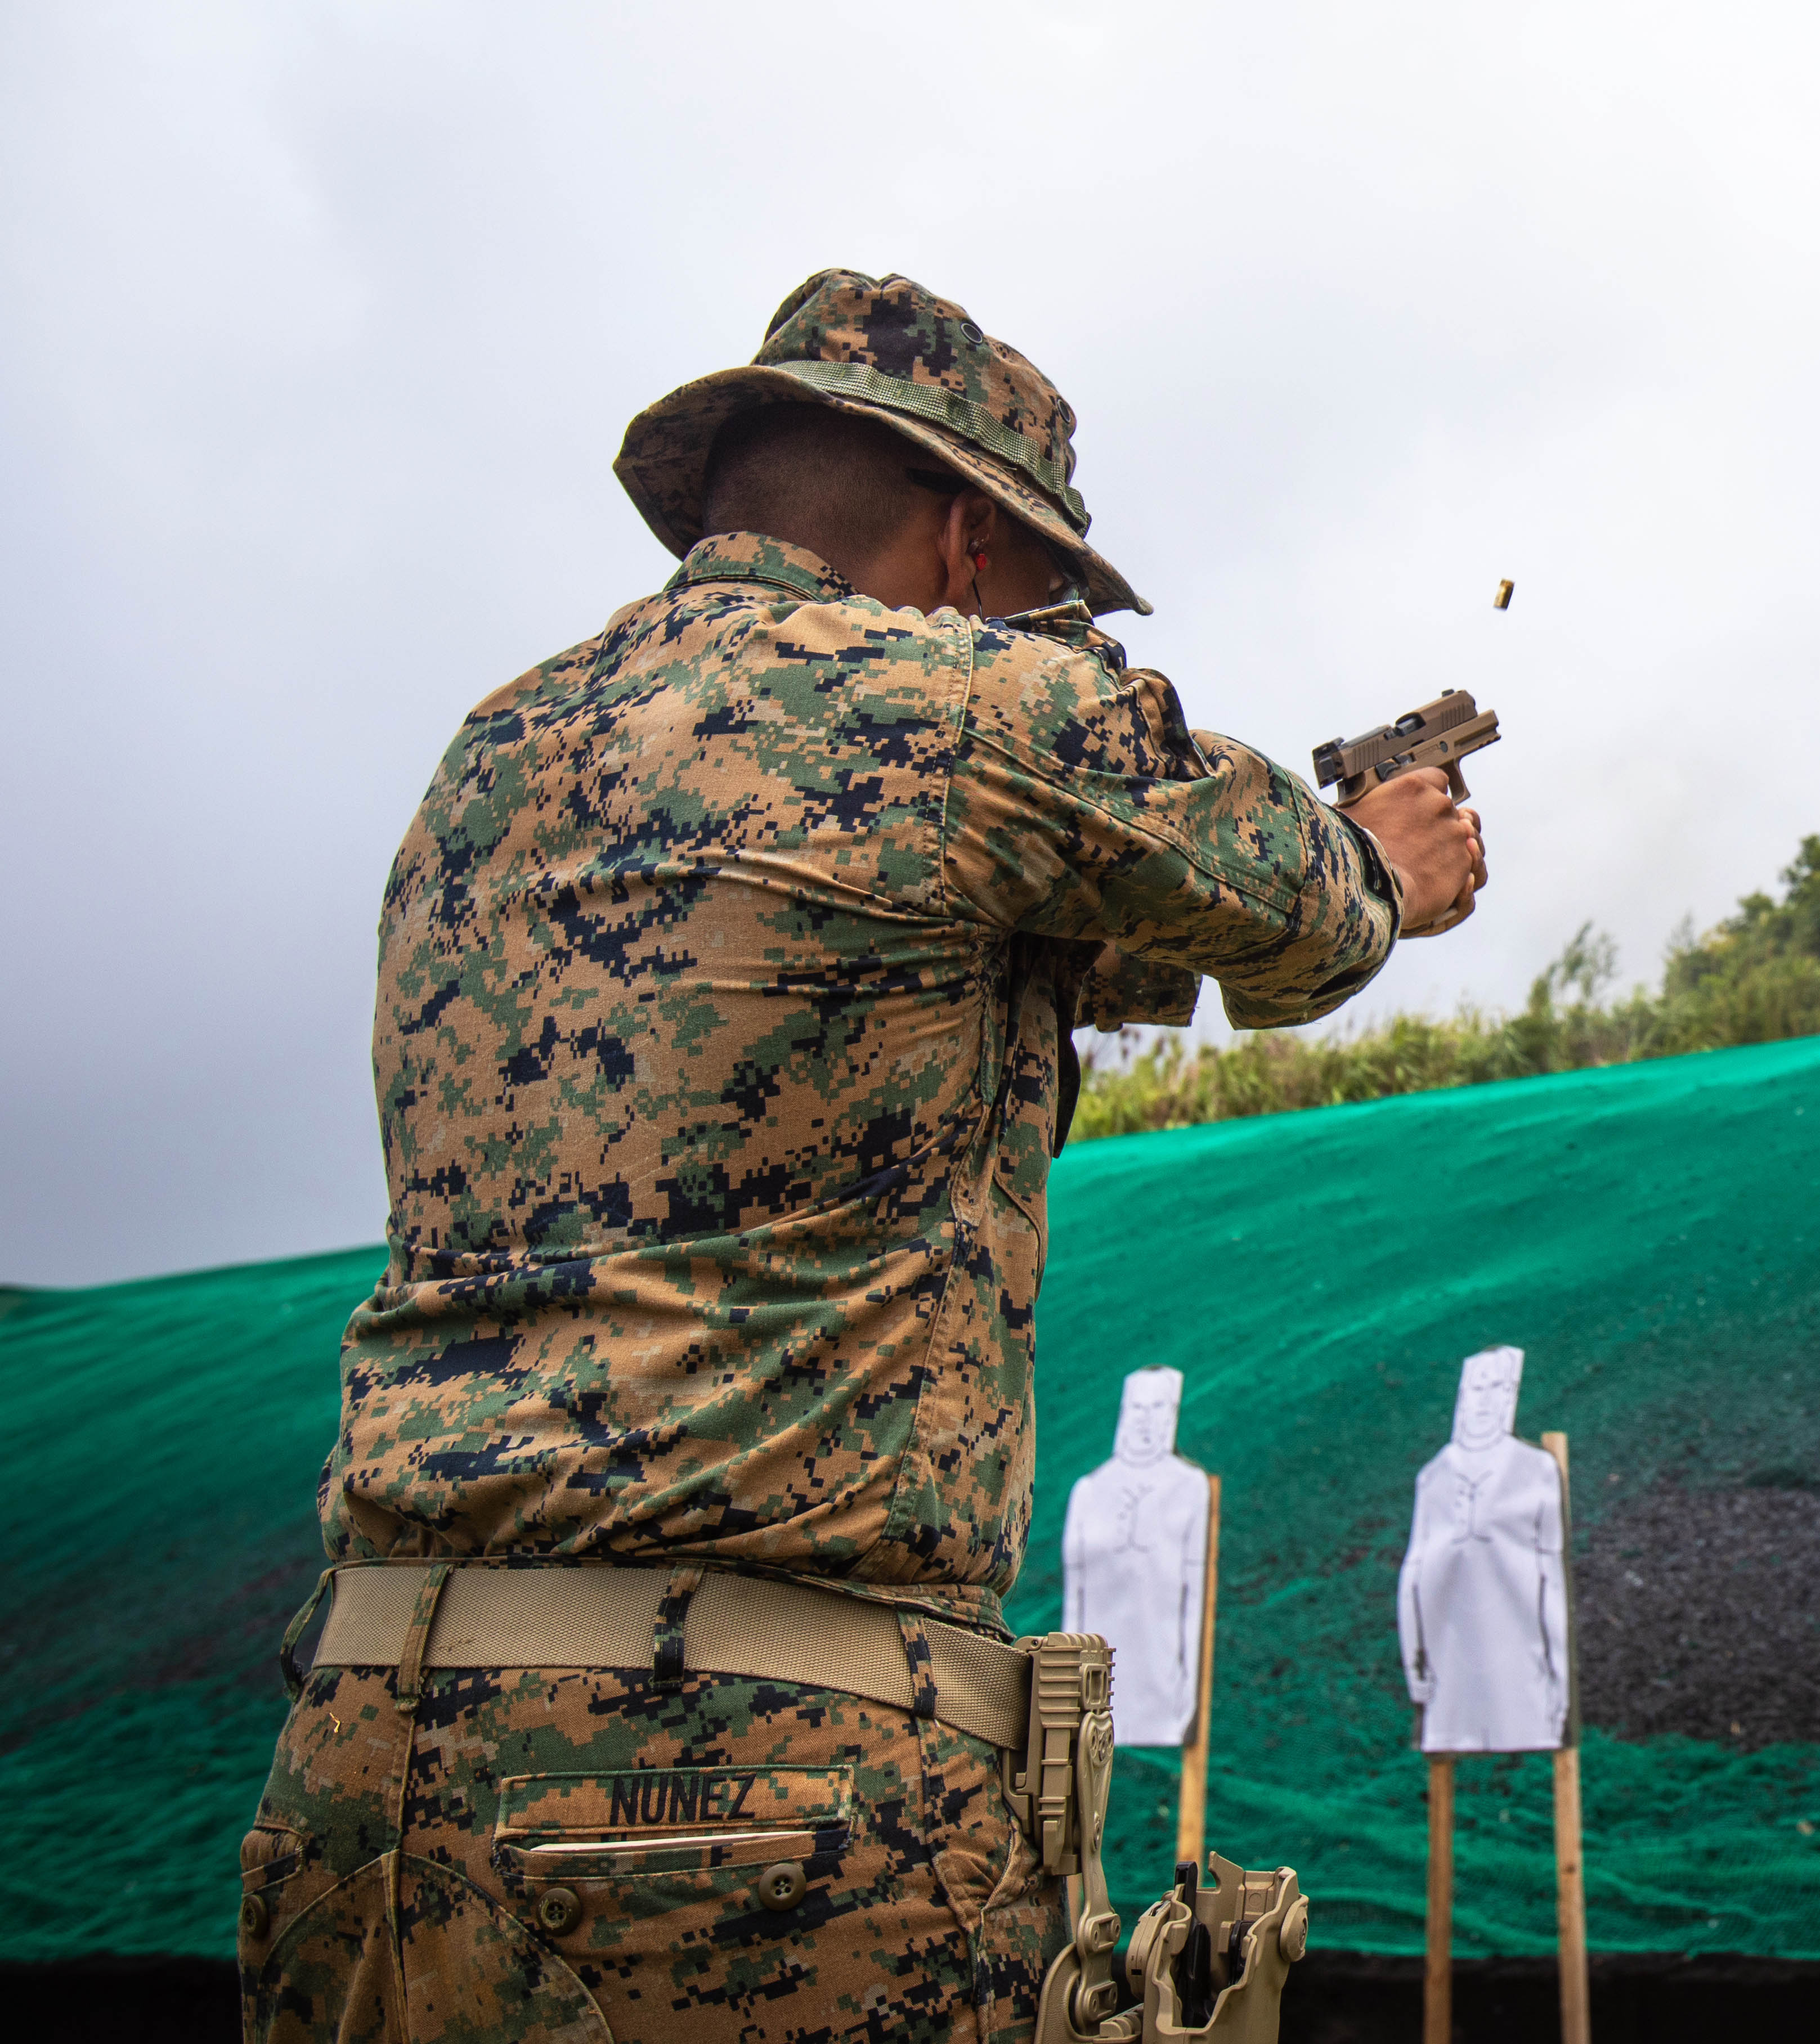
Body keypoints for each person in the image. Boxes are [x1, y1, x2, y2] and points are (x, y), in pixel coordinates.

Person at [237, 269, 1487, 2044]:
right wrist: (1387, 862)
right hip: (743, 1786)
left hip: (366, 1762)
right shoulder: (967, 708)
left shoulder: (492, 752)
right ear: (970, 538)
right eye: (1048, 586)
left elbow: (923, 945)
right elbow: (1307, 919)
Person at [1397, 1346, 1569, 1751]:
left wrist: (1559, 1673)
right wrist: (1413, 1660)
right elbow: (1413, 1576)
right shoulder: (1434, 1476)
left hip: (1520, 1670)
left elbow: (1552, 1579)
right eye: (1476, 1389)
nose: (1483, 1401)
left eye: (1495, 1388)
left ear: (1508, 1395)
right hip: (1449, 1672)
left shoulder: (1535, 1469)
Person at [1061, 1369, 1214, 1747]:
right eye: (1138, 1408)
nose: (1145, 1420)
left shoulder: (1189, 1486)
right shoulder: (1089, 1490)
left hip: (1161, 1685)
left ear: (1171, 1412)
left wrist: (1185, 1698)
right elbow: (1075, 1601)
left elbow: (1193, 1598)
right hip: (1096, 1687)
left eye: (1157, 1407)